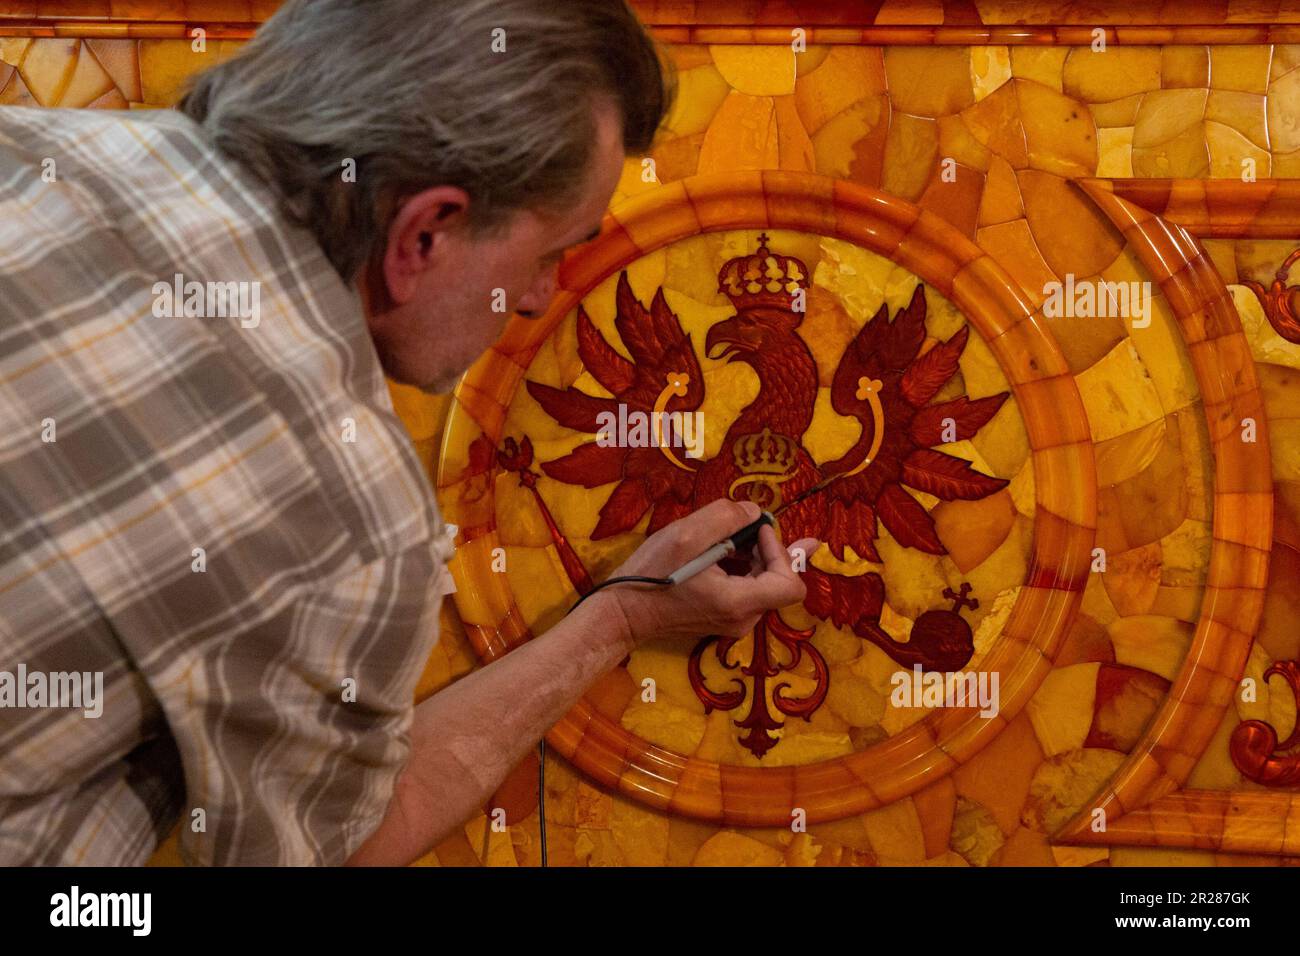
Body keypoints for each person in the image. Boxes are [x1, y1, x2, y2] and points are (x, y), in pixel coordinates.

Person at [0, 0, 815, 866]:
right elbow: (346, 845)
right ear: (424, 233)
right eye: (550, 253)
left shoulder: (26, 147)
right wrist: (613, 624)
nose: (542, 299)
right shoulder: (343, 520)